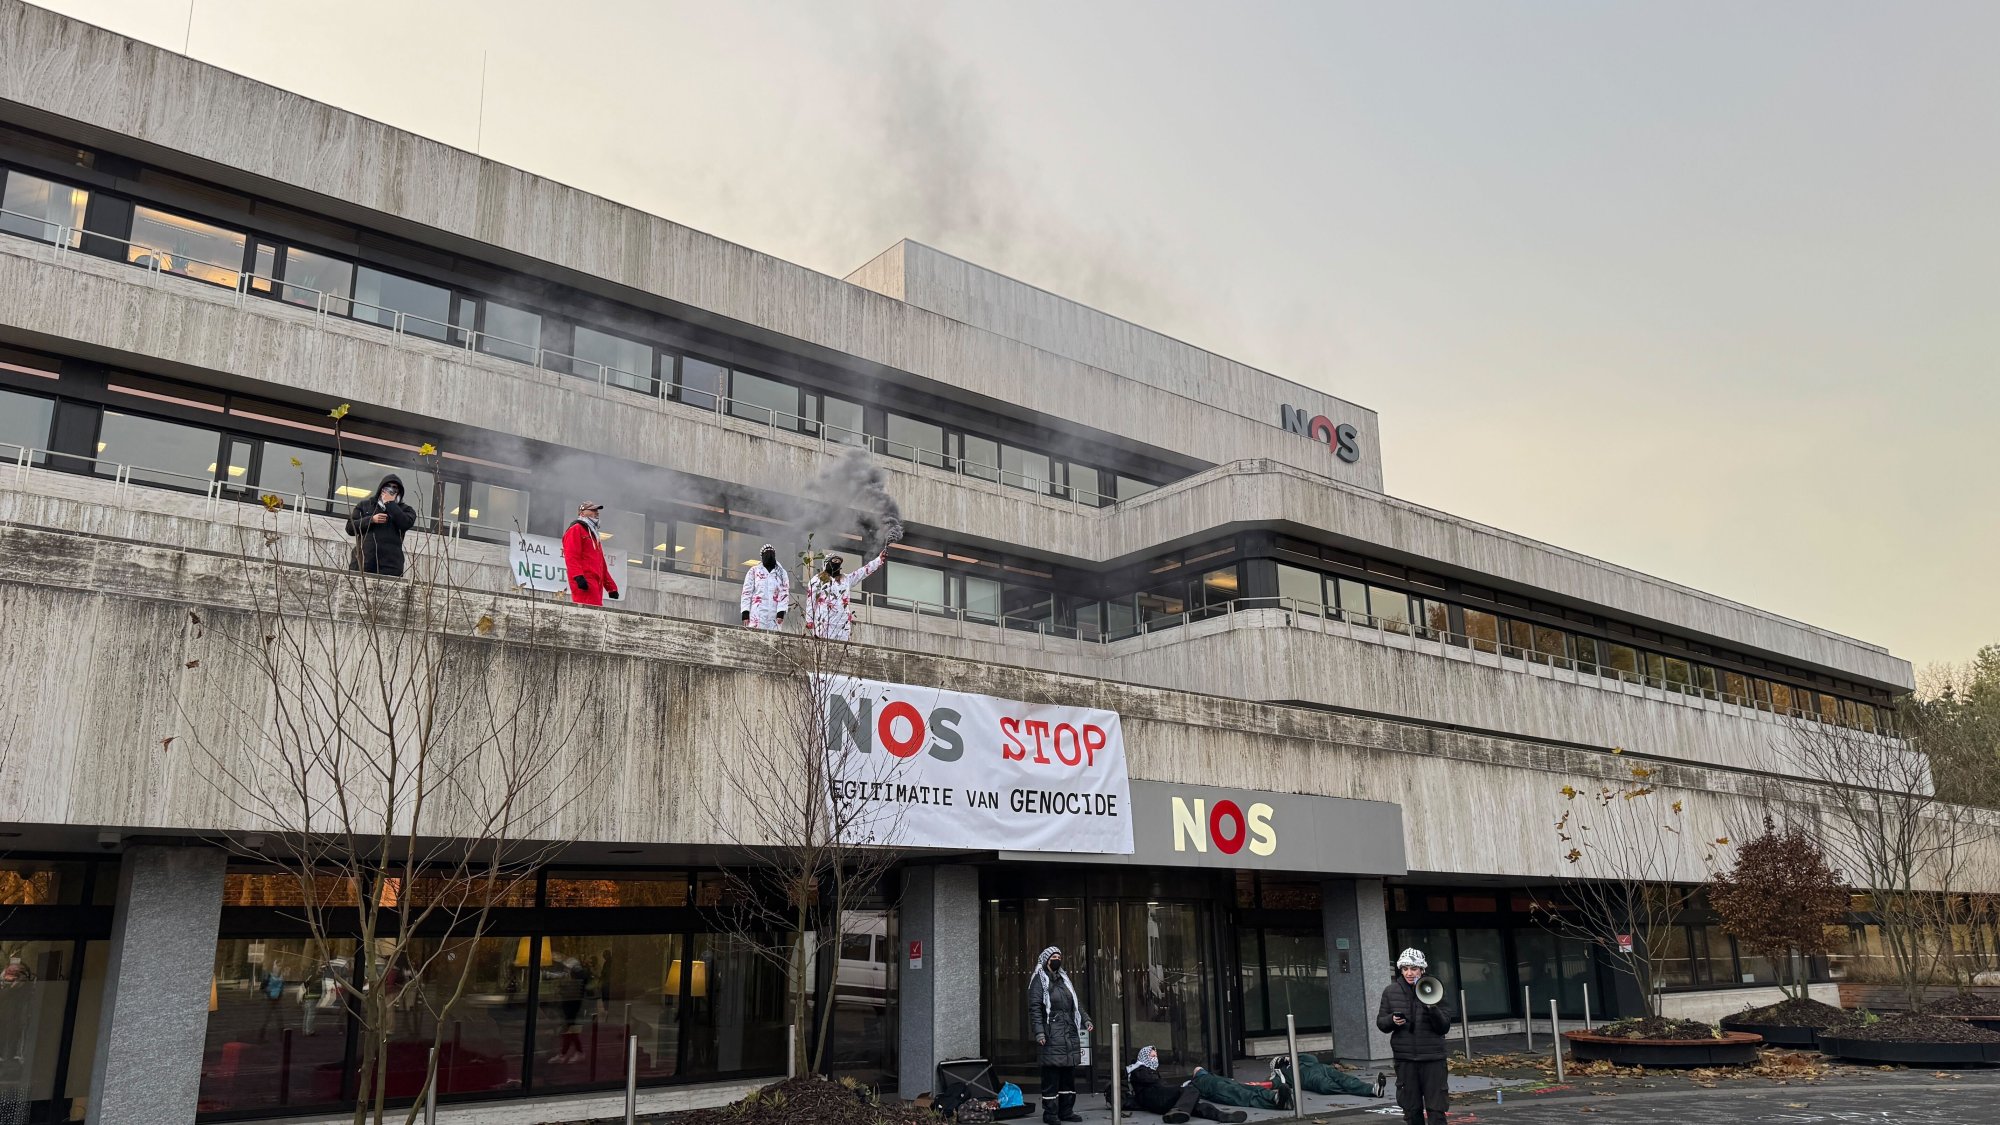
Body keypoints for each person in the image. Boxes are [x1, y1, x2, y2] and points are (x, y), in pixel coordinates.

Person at [1375, 948, 1453, 1125]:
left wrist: (1431, 1007)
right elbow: (1381, 1023)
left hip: (1433, 1058)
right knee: (1411, 1109)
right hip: (1406, 1059)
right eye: (1405, 969)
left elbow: (1444, 1027)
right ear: (1401, 970)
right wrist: (1392, 1020)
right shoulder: (1390, 991)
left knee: (1437, 1109)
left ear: (1422, 970)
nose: (1409, 973)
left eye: (1414, 968)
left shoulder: (1435, 989)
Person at [1027, 945, 1092, 1124]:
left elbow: (1076, 1005)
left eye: (1059, 956)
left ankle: (1066, 1111)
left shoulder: (1065, 981)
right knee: (1051, 1078)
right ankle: (1050, 1114)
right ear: (1046, 960)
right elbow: (1035, 1009)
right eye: (1054, 956)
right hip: (1051, 1035)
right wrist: (1040, 1032)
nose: (1057, 959)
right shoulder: (1039, 981)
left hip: (1069, 1034)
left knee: (1068, 1078)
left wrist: (1086, 1020)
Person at [1123, 1046, 1249, 1123]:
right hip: (1154, 1098)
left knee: (1200, 1106)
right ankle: (1178, 1110)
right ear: (1144, 1057)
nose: (1154, 1059)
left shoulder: (1148, 1070)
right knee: (1192, 1090)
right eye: (1152, 1056)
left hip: (1162, 1099)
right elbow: (1152, 1083)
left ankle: (1223, 1116)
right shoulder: (1137, 1070)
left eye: (1155, 1056)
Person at [803, 551, 886, 641]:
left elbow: (862, 572)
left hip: (842, 626)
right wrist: (809, 620)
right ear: (826, 563)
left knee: (840, 652)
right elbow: (810, 602)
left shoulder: (845, 579)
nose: (837, 565)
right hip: (824, 624)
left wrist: (878, 560)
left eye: (839, 562)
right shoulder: (817, 580)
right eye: (834, 561)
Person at [345, 474, 416, 576]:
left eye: (395, 487)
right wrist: (371, 520)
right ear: (381, 488)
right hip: (363, 563)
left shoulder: (406, 510)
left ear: (399, 491)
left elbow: (405, 523)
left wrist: (390, 504)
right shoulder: (365, 505)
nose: (390, 489)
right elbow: (350, 528)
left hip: (390, 567)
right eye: (388, 486)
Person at [562, 502, 619, 607]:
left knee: (596, 609)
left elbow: (601, 564)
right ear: (582, 513)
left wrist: (611, 587)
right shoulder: (576, 529)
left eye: (597, 511)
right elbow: (571, 556)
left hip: (596, 582)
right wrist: (578, 576)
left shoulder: (593, 535)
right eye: (592, 510)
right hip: (585, 580)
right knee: (590, 612)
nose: (596, 513)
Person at [1269, 1051, 1378, 1099]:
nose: (1282, 1061)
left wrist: (1293, 1057)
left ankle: (1372, 1089)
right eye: (1279, 1061)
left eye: (1281, 1059)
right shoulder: (1282, 1075)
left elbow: (1313, 1059)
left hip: (1322, 1068)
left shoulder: (1299, 1061)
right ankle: (1368, 1090)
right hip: (1311, 1078)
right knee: (1326, 1086)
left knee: (1344, 1079)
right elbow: (1272, 1083)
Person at [740, 543, 789, 630]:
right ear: (762, 556)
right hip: (757, 613)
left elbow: (784, 593)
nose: (769, 555)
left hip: (774, 615)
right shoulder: (754, 571)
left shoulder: (781, 573)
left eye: (771, 552)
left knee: (774, 639)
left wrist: (781, 612)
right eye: (766, 553)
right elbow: (746, 592)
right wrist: (745, 612)